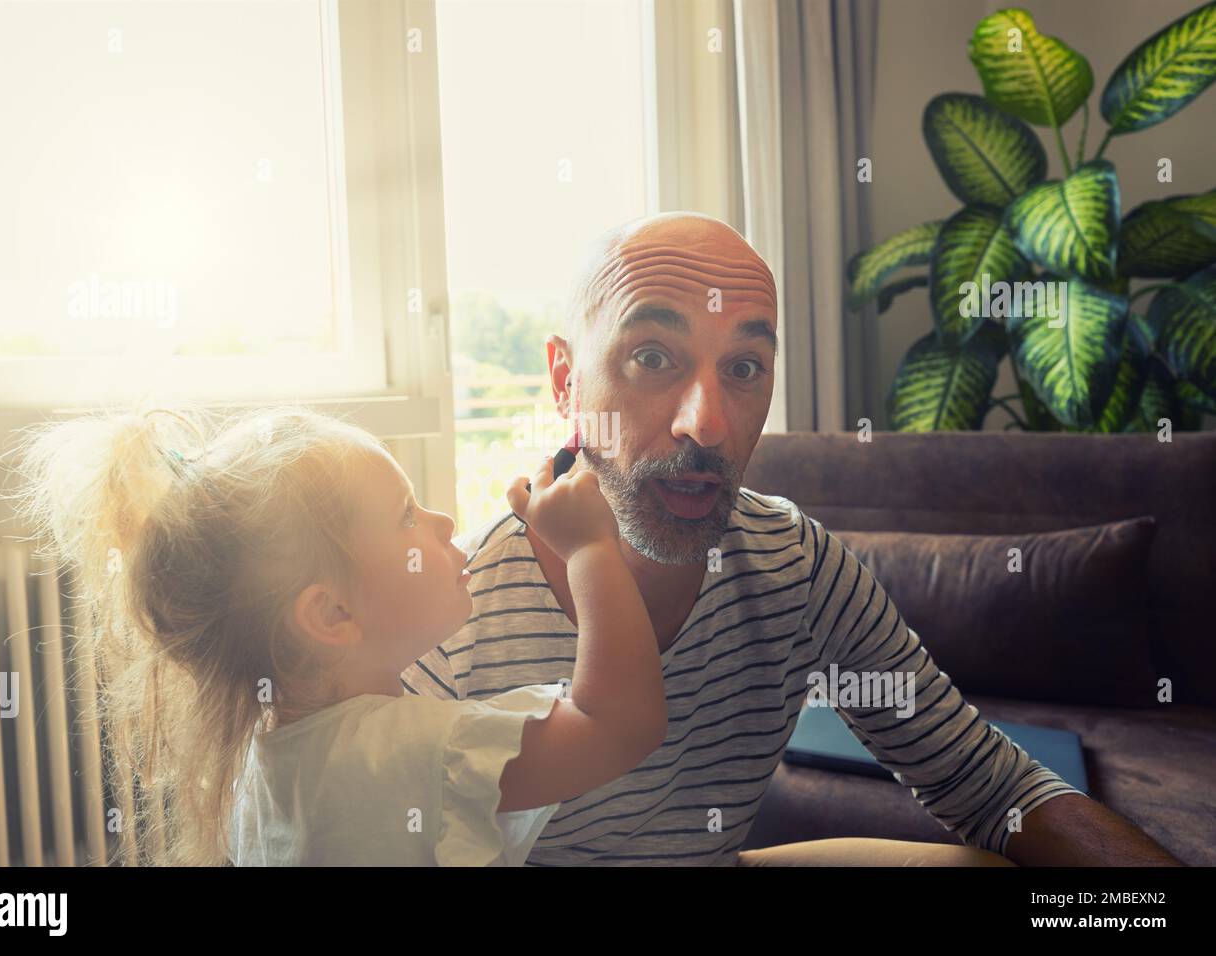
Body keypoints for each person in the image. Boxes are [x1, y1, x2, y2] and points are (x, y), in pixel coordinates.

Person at [402, 211, 1184, 867]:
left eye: (744, 367)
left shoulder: (794, 563)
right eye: (651, 357)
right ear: (566, 379)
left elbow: (990, 784)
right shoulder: (448, 609)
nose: (705, 424)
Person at [8, 405, 664, 865]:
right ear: (330, 617)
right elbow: (620, 726)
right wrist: (590, 547)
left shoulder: (256, 766)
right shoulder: (422, 754)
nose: (444, 522)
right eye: (407, 515)